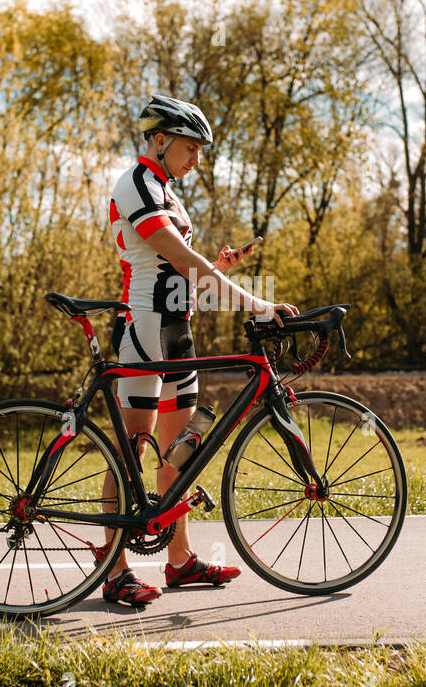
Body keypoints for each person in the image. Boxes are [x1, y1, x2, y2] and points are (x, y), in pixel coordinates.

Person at [96, 93, 299, 607]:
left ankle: (180, 561)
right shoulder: (136, 182)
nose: (198, 159)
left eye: (202, 151)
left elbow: (181, 268)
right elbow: (178, 259)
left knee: (180, 450)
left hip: (178, 331)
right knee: (132, 450)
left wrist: (219, 270)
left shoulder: (167, 191)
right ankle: (115, 567)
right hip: (143, 330)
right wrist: (253, 302)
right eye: (191, 147)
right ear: (159, 140)